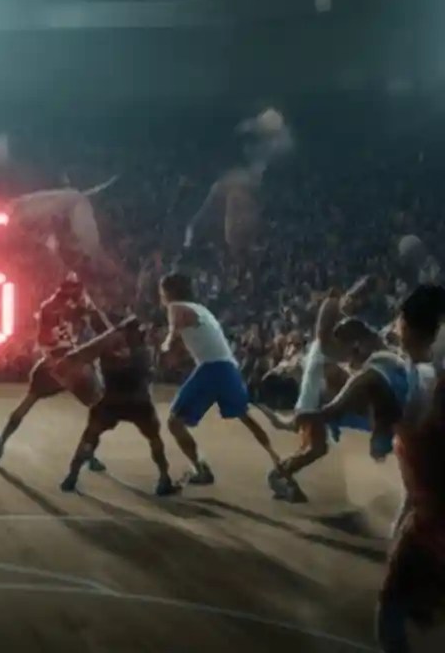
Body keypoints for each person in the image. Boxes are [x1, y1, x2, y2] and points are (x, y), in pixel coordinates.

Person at [295, 285, 445, 652]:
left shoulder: (414, 375)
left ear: (409, 325)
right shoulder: (417, 366)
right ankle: (426, 600)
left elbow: (337, 353)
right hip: (425, 502)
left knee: (389, 613)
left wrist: (321, 412)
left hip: (435, 515)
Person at [158, 272, 289, 486]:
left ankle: (200, 468)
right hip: (229, 367)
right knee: (246, 417)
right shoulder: (202, 309)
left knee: (174, 422)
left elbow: (173, 332)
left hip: (211, 367)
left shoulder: (175, 307)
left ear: (169, 292)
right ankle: (279, 461)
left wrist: (165, 346)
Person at [267, 278, 372, 502]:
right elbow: (324, 342)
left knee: (316, 447)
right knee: (316, 447)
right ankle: (279, 474)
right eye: (359, 297)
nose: (359, 303)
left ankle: (281, 474)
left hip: (325, 392)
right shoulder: (333, 306)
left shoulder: (348, 321)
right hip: (317, 393)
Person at [0, 274, 109, 468]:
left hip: (51, 362)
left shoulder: (48, 306)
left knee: (28, 402)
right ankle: (88, 454)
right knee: (99, 408)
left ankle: (0, 446)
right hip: (73, 363)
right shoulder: (79, 303)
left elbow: (43, 340)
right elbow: (101, 327)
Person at [57, 316, 179, 496]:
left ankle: (72, 476)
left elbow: (75, 357)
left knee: (90, 437)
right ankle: (164, 478)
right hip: (138, 401)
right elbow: (150, 371)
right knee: (154, 439)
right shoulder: (144, 351)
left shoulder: (109, 348)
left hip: (111, 400)